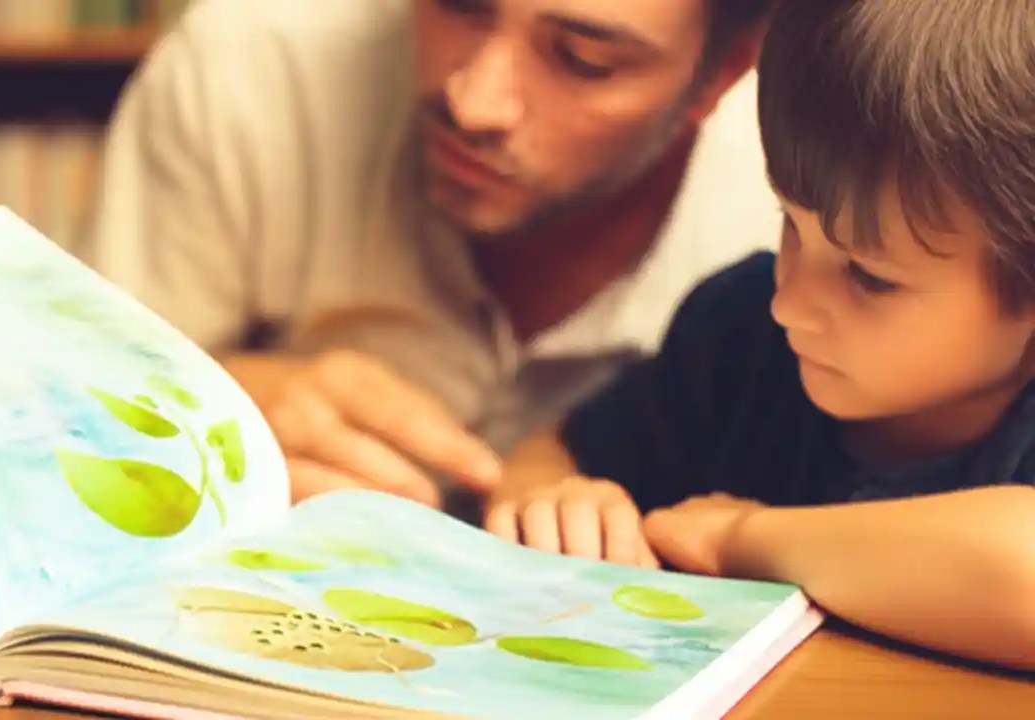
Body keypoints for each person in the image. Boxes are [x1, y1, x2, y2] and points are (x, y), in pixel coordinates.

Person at [486, 0, 1035, 670]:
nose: (792, 303)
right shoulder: (738, 335)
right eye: (790, 224)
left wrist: (740, 539)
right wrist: (557, 498)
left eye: (869, 276)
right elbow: (554, 450)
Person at [77, 0, 779, 513]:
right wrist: (188, 409)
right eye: (457, 6)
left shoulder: (805, 206)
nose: (474, 103)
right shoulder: (249, 69)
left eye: (582, 60)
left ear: (725, 74)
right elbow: (48, 414)